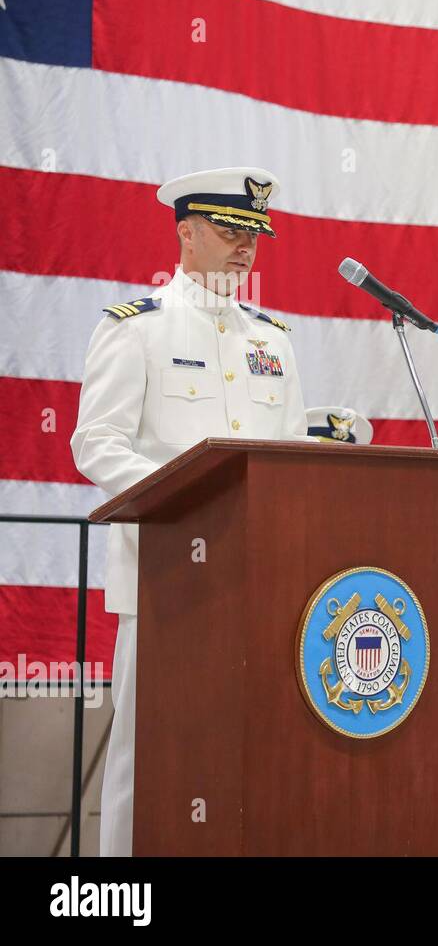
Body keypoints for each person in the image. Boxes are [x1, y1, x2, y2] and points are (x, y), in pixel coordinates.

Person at [71, 167, 308, 856]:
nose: (246, 248)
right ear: (186, 231)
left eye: (254, 235)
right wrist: (187, 502)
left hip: (258, 577)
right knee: (148, 754)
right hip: (167, 576)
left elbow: (292, 457)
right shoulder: (137, 327)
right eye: (232, 231)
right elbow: (97, 444)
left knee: (247, 748)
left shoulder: (273, 341)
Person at [304, 404, 438, 855]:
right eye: (323, 463)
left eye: (345, 466)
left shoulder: (391, 532)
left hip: (391, 673)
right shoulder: (281, 526)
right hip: (303, 676)